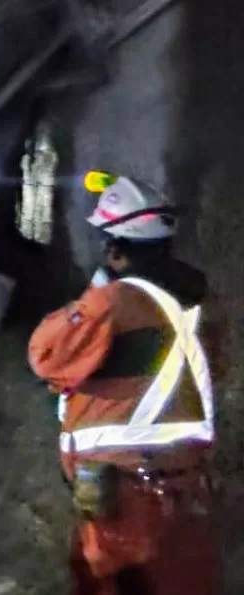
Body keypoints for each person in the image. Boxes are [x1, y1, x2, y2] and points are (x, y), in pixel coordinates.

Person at [28, 174, 221, 594]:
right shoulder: (199, 303)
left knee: (109, 581)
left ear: (115, 249)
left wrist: (97, 289)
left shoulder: (112, 303)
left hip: (126, 488)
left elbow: (46, 354)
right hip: (187, 479)